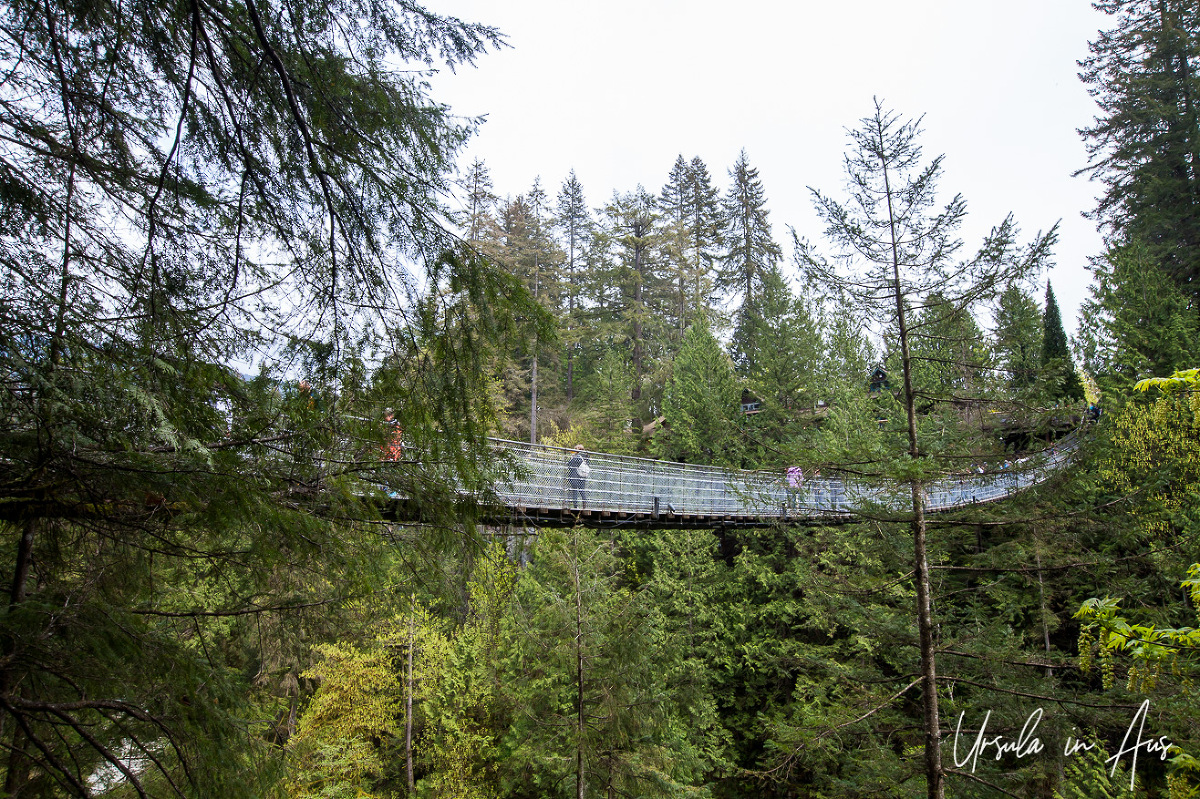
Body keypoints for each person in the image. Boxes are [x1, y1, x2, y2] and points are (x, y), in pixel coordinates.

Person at [566, 444, 590, 510]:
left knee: (575, 490)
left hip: (575, 476)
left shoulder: (577, 457)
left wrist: (572, 458)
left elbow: (569, 465)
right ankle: (584, 505)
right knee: (582, 490)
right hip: (582, 476)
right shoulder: (585, 457)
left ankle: (575, 506)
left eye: (575, 449)